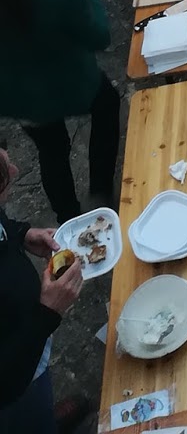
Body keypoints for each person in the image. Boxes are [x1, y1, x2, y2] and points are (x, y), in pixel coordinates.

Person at [0, 0, 118, 224]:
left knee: (51, 150)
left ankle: (68, 220)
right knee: (107, 104)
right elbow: (99, 36)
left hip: (18, 94)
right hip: (68, 82)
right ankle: (100, 192)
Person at [0, 140, 84, 433]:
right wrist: (47, 314)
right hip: (9, 386)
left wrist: (19, 233)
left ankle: (43, 417)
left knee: (36, 397)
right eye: (1, 177)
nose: (15, 168)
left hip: (29, 354)